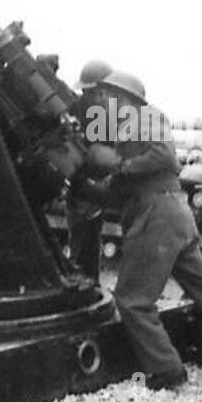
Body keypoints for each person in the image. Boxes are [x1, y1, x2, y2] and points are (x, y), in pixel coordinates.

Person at [80, 71, 202, 390]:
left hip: (156, 217)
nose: (101, 102)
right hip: (172, 214)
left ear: (125, 98)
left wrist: (115, 166)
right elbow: (121, 187)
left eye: (107, 96)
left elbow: (163, 156)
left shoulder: (143, 116)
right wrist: (85, 184)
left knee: (132, 300)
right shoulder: (127, 129)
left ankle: (166, 372)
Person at [65, 59, 114, 281]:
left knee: (89, 241)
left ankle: (89, 281)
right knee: (82, 240)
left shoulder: (108, 112)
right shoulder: (82, 109)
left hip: (95, 185)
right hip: (82, 184)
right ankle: (84, 280)